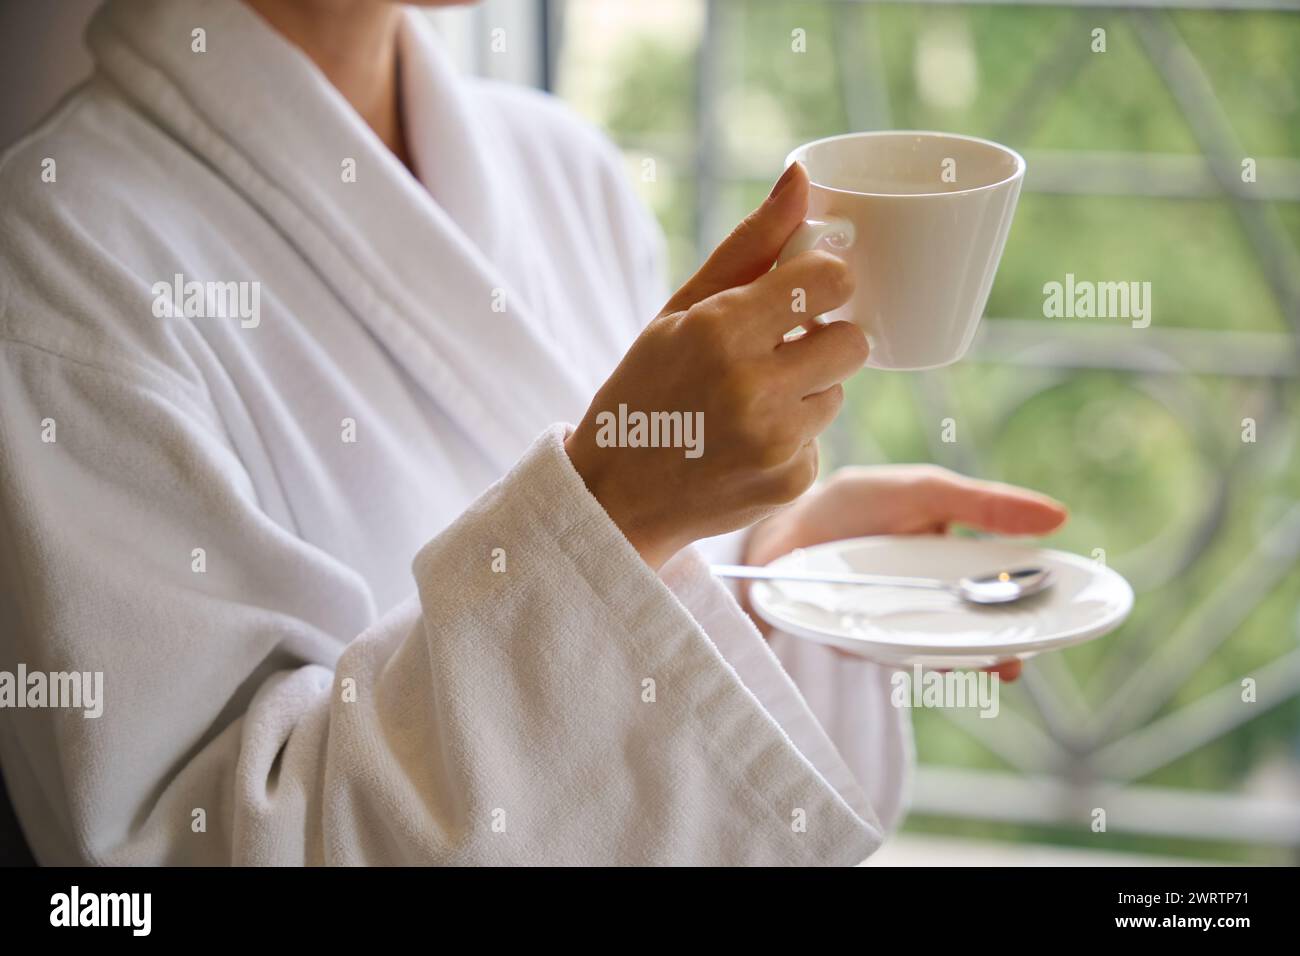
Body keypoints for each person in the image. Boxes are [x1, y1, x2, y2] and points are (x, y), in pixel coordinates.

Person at [0, 0, 1067, 865]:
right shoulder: (58, 261)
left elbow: (645, 621)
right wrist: (605, 513)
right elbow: (183, 860)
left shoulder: (565, 169)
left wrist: (776, 573)